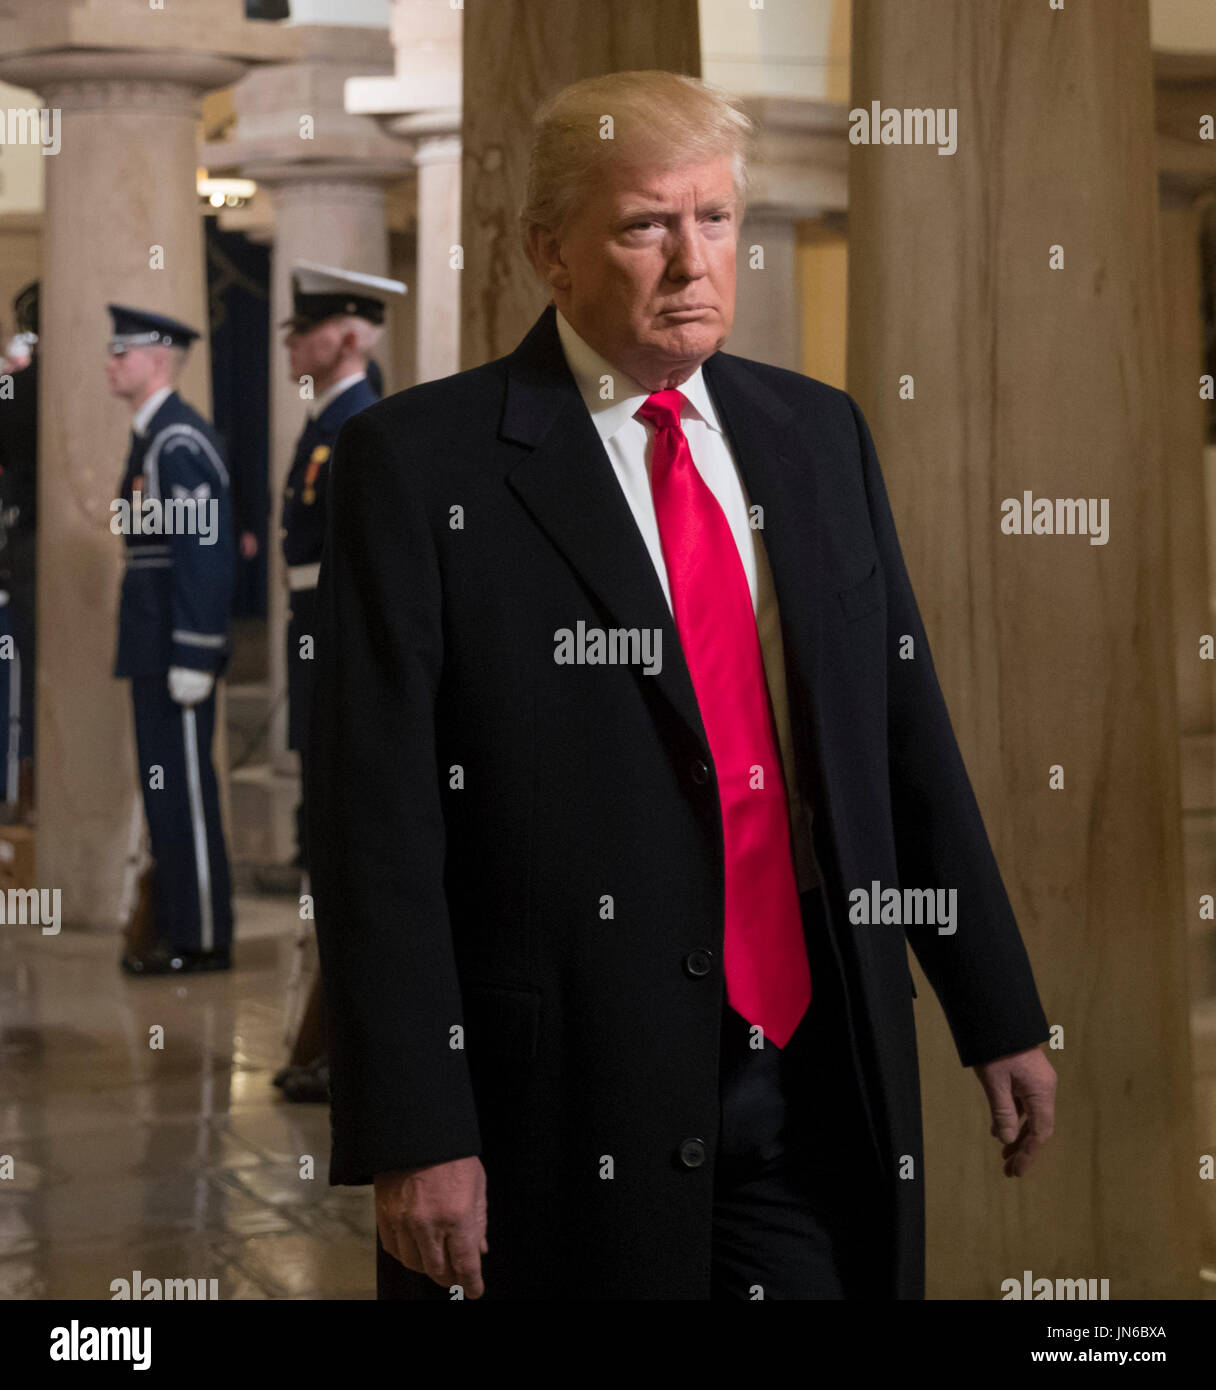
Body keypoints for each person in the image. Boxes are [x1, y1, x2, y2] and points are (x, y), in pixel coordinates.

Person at [308, 69, 1057, 1301]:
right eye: (646, 224)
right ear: (549, 250)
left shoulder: (816, 436)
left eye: (715, 220)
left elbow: (903, 739)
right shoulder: (418, 466)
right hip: (561, 1092)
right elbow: (374, 829)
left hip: (813, 1061)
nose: (691, 262)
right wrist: (416, 1128)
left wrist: (996, 1006)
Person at [270, 262, 403, 1103]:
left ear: (349, 334)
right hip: (308, 635)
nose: (292, 341)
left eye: (307, 327)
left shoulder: (361, 423)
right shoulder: (329, 421)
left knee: (343, 843)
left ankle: (349, 1040)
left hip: (333, 641)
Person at [107, 305, 236, 975]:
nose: (110, 362)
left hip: (172, 640)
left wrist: (193, 647)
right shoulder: (154, 436)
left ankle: (205, 935)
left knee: (184, 790)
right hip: (153, 638)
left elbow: (204, 553)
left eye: (121, 351)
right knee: (167, 790)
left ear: (157, 358)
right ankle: (179, 927)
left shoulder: (177, 442)